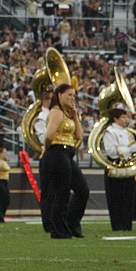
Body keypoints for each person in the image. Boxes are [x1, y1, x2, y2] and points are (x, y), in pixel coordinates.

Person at [39, 82, 86, 239]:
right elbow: (48, 135)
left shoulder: (68, 113)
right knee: (62, 194)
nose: (73, 98)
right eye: (69, 95)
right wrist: (48, 149)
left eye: (74, 95)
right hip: (57, 152)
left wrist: (75, 116)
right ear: (59, 95)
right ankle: (59, 230)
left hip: (67, 153)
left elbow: (79, 136)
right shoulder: (56, 112)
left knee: (82, 190)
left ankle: (72, 223)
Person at [101, 103, 136, 231]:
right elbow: (111, 152)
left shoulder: (127, 132)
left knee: (129, 197)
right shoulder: (109, 132)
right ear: (115, 119)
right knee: (116, 198)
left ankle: (127, 224)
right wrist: (130, 150)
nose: (126, 120)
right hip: (114, 168)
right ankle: (118, 225)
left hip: (127, 168)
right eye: (123, 117)